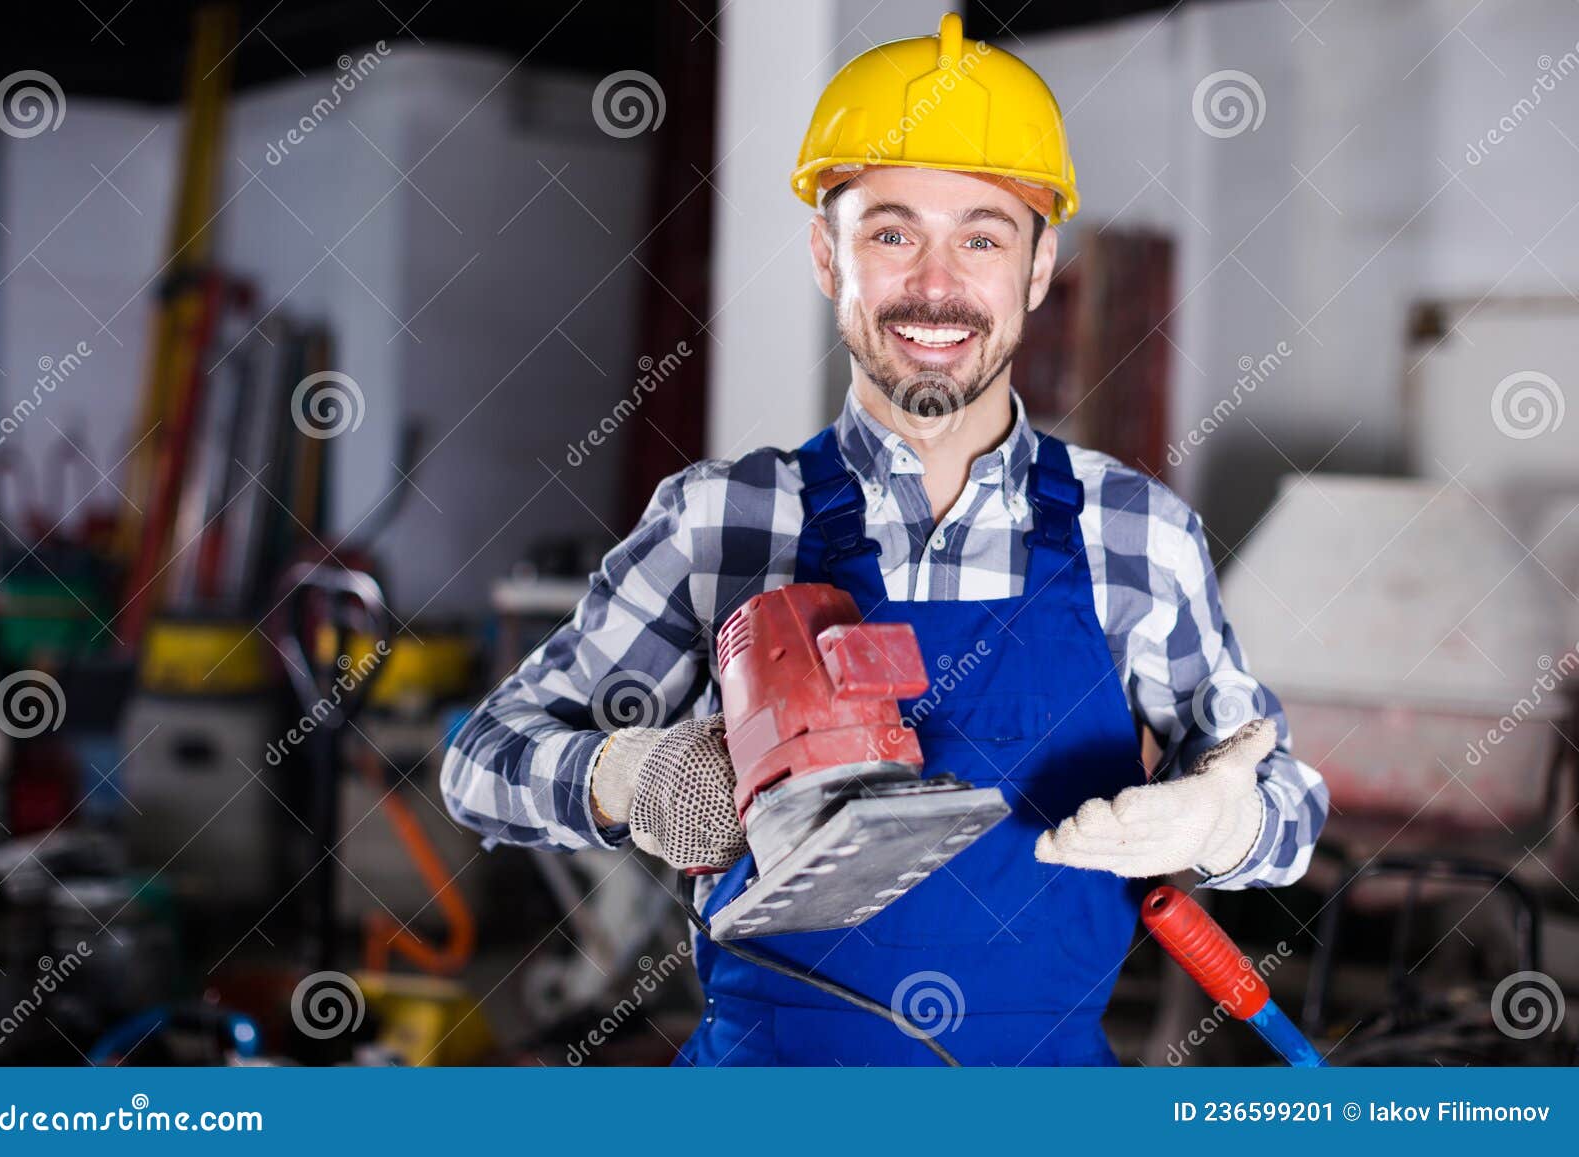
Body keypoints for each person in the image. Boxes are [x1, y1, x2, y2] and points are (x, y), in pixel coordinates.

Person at [442, 11, 1327, 1066]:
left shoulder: (1133, 533)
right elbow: (479, 762)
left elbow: (1284, 802)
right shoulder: (722, 518)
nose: (935, 283)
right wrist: (626, 779)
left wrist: (1222, 823)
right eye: (891, 231)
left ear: (1039, 268)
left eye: (983, 237)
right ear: (828, 253)